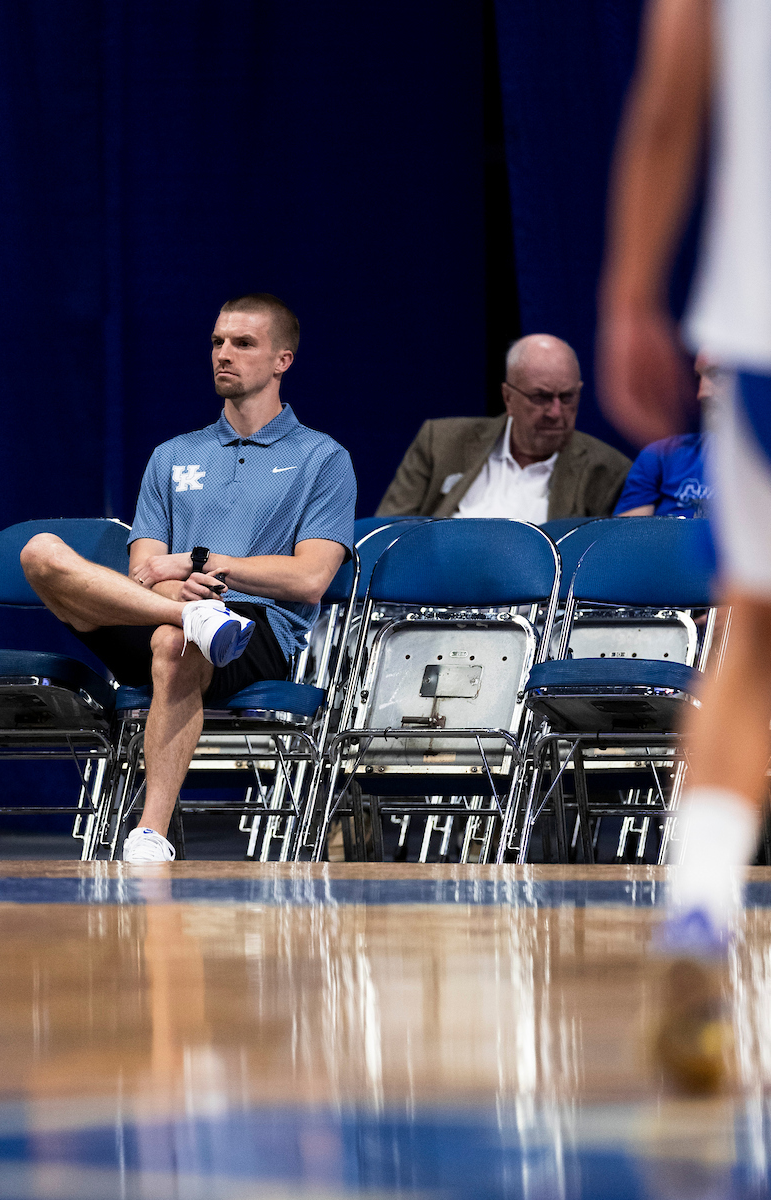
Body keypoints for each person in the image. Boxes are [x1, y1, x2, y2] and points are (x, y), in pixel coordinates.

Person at [20, 293, 356, 863]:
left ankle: (149, 833)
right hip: (167, 610)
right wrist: (180, 594)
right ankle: (192, 619)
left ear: (283, 360)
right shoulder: (172, 455)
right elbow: (142, 574)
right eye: (217, 342)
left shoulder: (322, 458)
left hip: (257, 629)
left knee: (177, 643)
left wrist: (203, 565)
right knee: (41, 553)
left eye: (243, 344)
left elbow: (309, 579)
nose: (224, 354)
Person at [600, 0, 771, 1089]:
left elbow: (672, 90)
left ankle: (701, 914)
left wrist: (628, 295)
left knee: (753, 637)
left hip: (756, 319)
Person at [376, 334, 631, 522]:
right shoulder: (441, 442)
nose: (556, 412)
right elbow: (385, 531)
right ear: (508, 397)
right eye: (541, 397)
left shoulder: (607, 470)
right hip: (435, 589)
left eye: (567, 397)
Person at [614, 353, 715, 516]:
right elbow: (627, 537)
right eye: (698, 378)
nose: (702, 393)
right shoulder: (660, 457)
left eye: (716, 374)